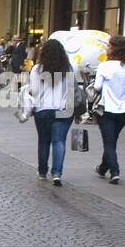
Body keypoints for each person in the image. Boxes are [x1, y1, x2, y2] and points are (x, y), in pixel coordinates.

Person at [23, 38, 77, 187]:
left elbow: (33, 91)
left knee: (44, 141)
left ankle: (42, 171)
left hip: (43, 109)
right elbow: (72, 90)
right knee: (59, 141)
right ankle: (57, 173)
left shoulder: (37, 69)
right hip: (63, 109)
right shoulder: (68, 69)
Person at [93, 35, 125, 184]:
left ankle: (115, 171)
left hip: (107, 109)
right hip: (124, 110)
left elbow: (97, 87)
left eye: (108, 46)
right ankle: (103, 168)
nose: (106, 48)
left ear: (113, 49)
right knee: (112, 140)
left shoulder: (105, 66)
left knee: (109, 142)